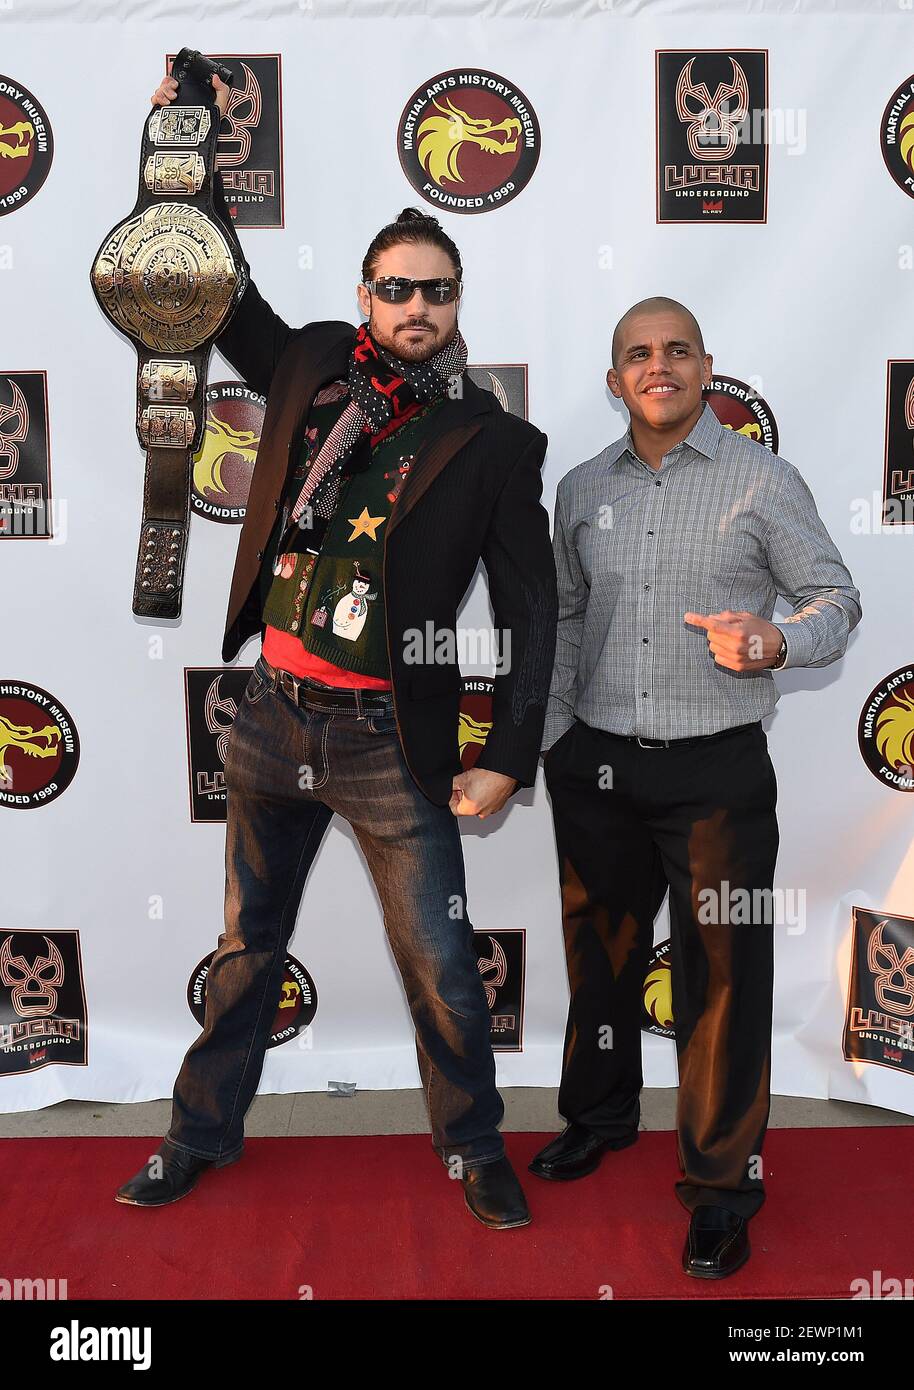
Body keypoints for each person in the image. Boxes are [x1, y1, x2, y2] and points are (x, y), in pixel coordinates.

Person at [116, 70, 558, 1229]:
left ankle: (473, 1146)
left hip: (387, 739)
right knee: (244, 949)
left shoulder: (494, 442)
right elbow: (211, 281)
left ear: (458, 304)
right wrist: (186, 142)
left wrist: (508, 753)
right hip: (265, 715)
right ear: (367, 292)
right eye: (396, 287)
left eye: (436, 292)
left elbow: (530, 610)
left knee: (444, 971)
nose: (415, 306)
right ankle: (198, 1132)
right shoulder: (307, 362)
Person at [529, 296, 861, 1276]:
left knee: (720, 978)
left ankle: (720, 1187)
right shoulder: (582, 486)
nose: (657, 365)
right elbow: (564, 617)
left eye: (675, 350)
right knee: (599, 955)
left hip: (715, 772)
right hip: (593, 764)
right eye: (637, 353)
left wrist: (775, 640)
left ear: (705, 368)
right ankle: (597, 1118)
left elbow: (835, 598)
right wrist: (548, 738)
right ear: (614, 378)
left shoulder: (763, 479)